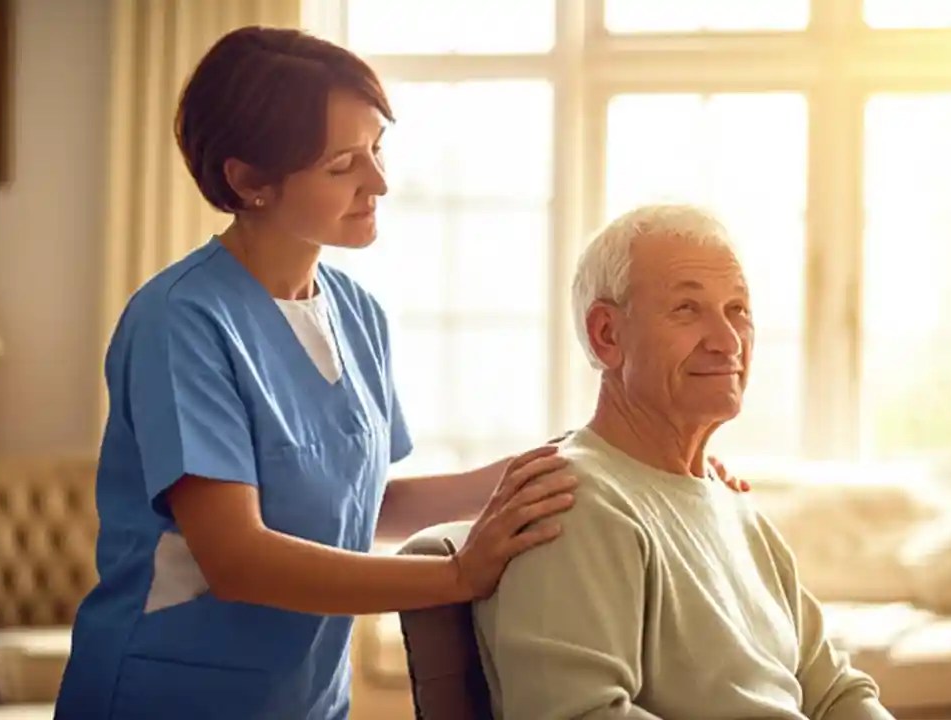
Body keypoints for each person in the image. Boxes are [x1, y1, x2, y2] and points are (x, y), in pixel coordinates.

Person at [51, 27, 584, 720]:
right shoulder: (180, 321)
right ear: (249, 181)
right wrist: (456, 576)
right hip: (170, 696)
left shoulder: (358, 313)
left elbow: (359, 506)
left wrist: (554, 470)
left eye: (377, 150)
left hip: (306, 700)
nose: (380, 182)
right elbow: (238, 559)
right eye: (342, 165)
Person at [473, 204, 893, 719]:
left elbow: (836, 692)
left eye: (737, 309)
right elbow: (578, 714)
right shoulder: (571, 503)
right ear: (607, 335)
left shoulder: (735, 508)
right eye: (687, 309)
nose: (727, 341)